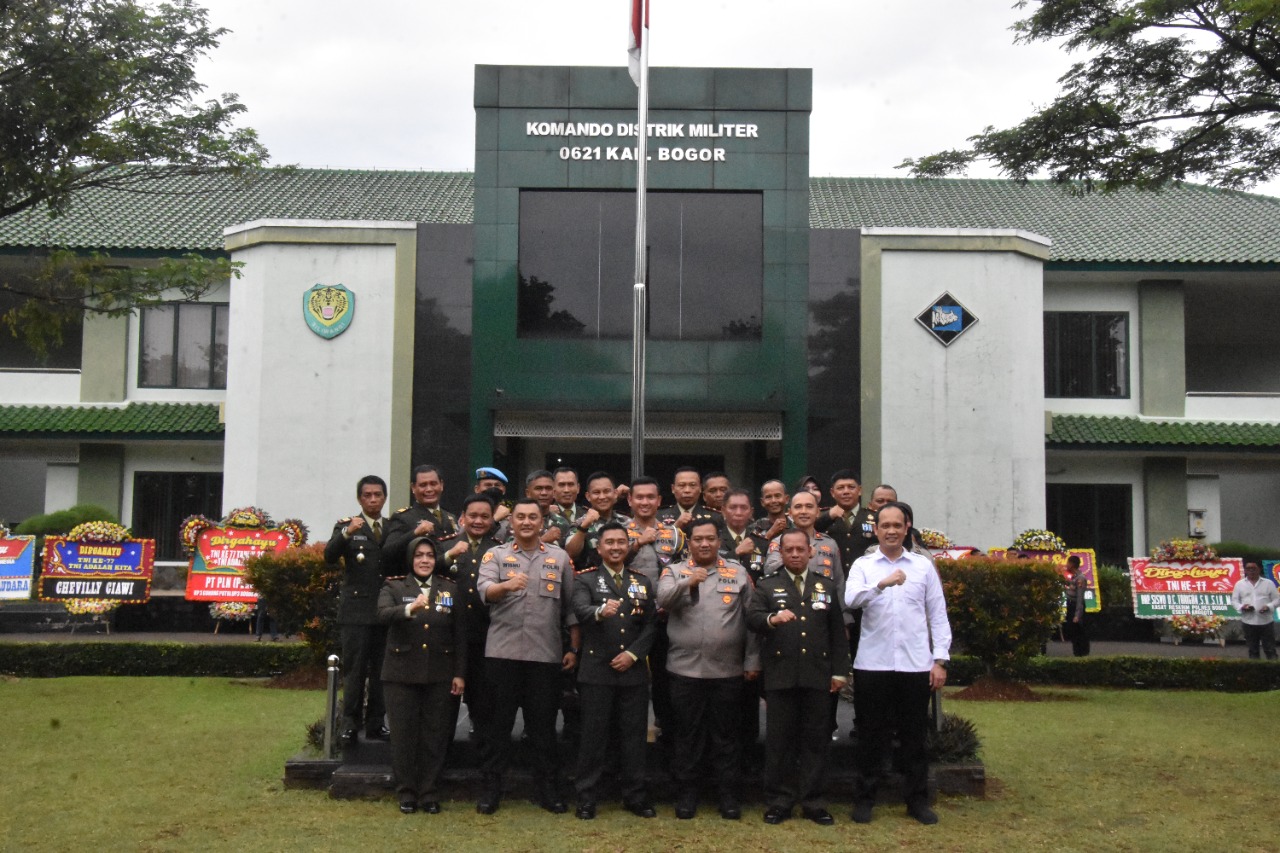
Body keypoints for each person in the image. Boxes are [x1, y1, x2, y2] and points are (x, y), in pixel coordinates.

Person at [845, 501, 952, 826]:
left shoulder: (922, 567)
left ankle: (916, 801)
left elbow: (938, 614)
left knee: (913, 738)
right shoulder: (864, 566)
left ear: (907, 528)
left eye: (897, 525)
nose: (891, 530)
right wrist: (881, 584)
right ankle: (865, 799)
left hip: (915, 665)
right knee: (871, 738)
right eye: (885, 525)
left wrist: (940, 660)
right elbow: (850, 600)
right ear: (875, 530)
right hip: (872, 665)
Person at [475, 498, 580, 814]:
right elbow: (484, 591)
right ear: (511, 522)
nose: (526, 522)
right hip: (502, 655)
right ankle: (491, 790)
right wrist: (506, 586)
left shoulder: (559, 558)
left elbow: (570, 609)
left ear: (542, 522)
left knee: (543, 730)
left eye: (532, 517)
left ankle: (548, 790)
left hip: (543, 656)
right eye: (519, 517)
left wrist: (573, 648)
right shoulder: (496, 555)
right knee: (498, 728)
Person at [657, 519, 760, 820]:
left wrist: (752, 660)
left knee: (726, 737)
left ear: (719, 542)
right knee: (687, 736)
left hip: (727, 671)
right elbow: (662, 600)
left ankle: (728, 796)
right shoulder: (674, 571)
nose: (704, 544)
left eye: (710, 539)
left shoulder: (738, 572)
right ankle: (687, 795)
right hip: (684, 671)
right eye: (698, 539)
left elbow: (752, 621)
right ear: (689, 543)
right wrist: (688, 582)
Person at [747, 529, 850, 825]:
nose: (794, 554)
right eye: (788, 550)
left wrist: (840, 672)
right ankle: (780, 801)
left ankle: (814, 801)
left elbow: (837, 635)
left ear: (811, 552)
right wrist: (771, 619)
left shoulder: (826, 586)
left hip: (817, 675)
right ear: (780, 553)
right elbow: (752, 619)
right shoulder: (768, 586)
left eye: (799, 549)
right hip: (780, 676)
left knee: (815, 741)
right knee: (779, 742)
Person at [570, 522, 659, 819]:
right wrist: (598, 611)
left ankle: (635, 796)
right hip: (597, 670)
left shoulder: (642, 580)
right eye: (610, 542)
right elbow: (579, 610)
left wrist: (633, 654)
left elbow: (650, 625)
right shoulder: (586, 580)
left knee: (634, 738)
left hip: (632, 671)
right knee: (593, 738)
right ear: (599, 547)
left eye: (621, 542)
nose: (616, 547)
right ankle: (586, 798)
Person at [377, 536, 466, 814]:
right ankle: (406, 792)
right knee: (404, 737)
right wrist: (407, 609)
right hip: (401, 673)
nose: (425, 560)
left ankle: (429, 792)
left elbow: (460, 634)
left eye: (429, 555)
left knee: (435, 736)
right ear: (410, 559)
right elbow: (381, 614)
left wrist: (460, 673)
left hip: (440, 673)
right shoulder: (393, 585)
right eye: (419, 555)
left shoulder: (449, 588)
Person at [324, 474, 391, 745]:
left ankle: (376, 723)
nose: (373, 499)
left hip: (385, 609)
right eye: (367, 495)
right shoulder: (347, 525)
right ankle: (350, 724)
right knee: (355, 670)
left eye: (377, 495)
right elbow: (329, 556)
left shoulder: (391, 527)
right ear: (359, 498)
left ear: (384, 497)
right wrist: (346, 533)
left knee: (381, 671)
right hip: (356, 611)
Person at [622, 476, 684, 746]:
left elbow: (684, 571)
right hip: (628, 618)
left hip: (665, 618)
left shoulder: (675, 534)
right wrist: (637, 543)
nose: (645, 502)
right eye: (639, 497)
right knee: (628, 678)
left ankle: (667, 730)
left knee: (664, 678)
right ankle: (629, 734)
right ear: (630, 500)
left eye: (650, 497)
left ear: (659, 501)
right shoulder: (618, 531)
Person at [439, 494, 501, 758]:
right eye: (472, 516)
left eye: (484, 516)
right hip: (448, 637)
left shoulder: (499, 549)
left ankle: (483, 764)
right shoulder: (445, 546)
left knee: (484, 705)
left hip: (486, 636)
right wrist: (447, 556)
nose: (478, 521)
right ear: (462, 517)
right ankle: (440, 762)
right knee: (444, 707)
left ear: (492, 520)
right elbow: (425, 570)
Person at [383, 465, 459, 576]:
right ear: (413, 488)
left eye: (433, 484)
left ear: (441, 485)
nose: (429, 489)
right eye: (423, 485)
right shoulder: (403, 517)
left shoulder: (450, 517)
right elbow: (387, 552)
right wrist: (415, 533)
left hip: (448, 586)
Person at [564, 470, 630, 570]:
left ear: (615, 493)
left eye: (606, 491)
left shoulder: (627, 522)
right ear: (588, 496)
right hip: (589, 582)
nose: (602, 497)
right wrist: (584, 526)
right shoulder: (580, 523)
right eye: (596, 492)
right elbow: (570, 553)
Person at [1232, 560, 1279, 660]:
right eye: (1248, 569)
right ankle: (1256, 673)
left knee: (1270, 650)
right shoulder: (1239, 584)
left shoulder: (1268, 583)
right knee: (1253, 651)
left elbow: (1277, 599)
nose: (1251, 571)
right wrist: (1242, 607)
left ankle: (1274, 673)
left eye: (1253, 569)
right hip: (1248, 622)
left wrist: (1269, 606)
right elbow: (1234, 601)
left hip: (1266, 622)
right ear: (1245, 570)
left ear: (1259, 569)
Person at [658, 466, 724, 535]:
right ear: (673, 489)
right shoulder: (658, 516)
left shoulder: (715, 517)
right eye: (682, 485)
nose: (687, 490)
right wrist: (675, 527)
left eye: (692, 485)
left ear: (700, 488)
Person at [1062, 555, 1091, 657]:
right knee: (1073, 631)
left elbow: (1079, 598)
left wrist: (1077, 615)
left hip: (1076, 606)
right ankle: (1077, 652)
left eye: (1068, 563)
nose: (1067, 565)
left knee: (1079, 631)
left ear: (1072, 564)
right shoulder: (1073, 577)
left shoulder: (1080, 579)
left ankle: (1082, 653)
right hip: (1070, 605)